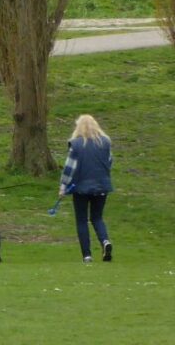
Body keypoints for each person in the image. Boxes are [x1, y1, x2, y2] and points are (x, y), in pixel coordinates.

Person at [59, 113, 114, 263]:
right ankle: (105, 241)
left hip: (81, 187)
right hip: (102, 186)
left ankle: (87, 255)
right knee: (97, 218)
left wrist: (63, 186)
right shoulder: (105, 142)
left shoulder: (76, 144)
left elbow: (69, 168)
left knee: (82, 220)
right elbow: (109, 162)